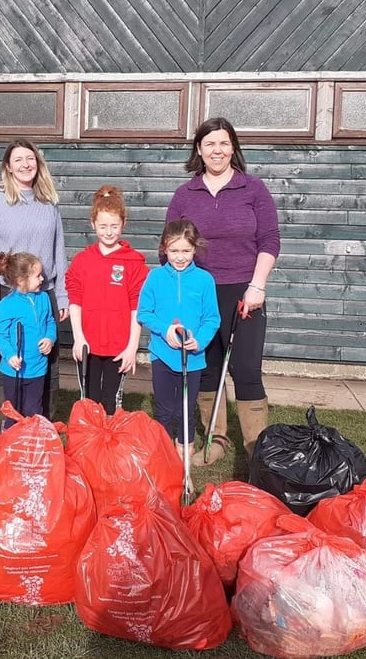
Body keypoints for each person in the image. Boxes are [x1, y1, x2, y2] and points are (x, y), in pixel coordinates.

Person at [165, 116, 280, 465]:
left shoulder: (253, 189)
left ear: (233, 148)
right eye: (210, 143)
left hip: (244, 293)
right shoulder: (185, 194)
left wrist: (257, 285)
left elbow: (269, 240)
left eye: (224, 143)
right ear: (199, 149)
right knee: (207, 368)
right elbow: (168, 245)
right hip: (198, 293)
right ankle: (216, 440)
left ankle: (255, 451)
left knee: (245, 369)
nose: (217, 150)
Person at [0, 139, 68, 431]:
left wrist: (62, 295)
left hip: (44, 290)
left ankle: (42, 425)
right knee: (8, 358)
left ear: (38, 163)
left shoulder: (48, 201)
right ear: (8, 166)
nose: (25, 164)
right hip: (8, 290)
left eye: (30, 158)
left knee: (46, 358)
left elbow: (59, 250)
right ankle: (7, 426)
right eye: (18, 159)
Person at [137, 219, 220, 473]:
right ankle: (163, 457)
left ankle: (185, 459)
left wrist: (200, 341)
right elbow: (144, 313)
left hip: (192, 358)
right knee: (164, 409)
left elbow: (212, 318)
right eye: (174, 251)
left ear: (195, 249)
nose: (180, 257)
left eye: (185, 251)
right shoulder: (155, 277)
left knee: (185, 408)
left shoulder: (205, 280)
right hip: (162, 355)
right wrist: (165, 329)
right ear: (164, 249)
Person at [65, 185, 148, 415]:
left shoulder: (133, 262)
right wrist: (78, 337)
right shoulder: (82, 261)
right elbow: (75, 300)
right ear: (93, 224)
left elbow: (136, 308)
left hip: (118, 346)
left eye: (114, 226)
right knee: (89, 401)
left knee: (111, 403)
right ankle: (89, 445)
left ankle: (110, 445)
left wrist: (132, 347)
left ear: (124, 223)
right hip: (88, 345)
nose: (109, 232)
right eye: (103, 226)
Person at [0, 251, 57, 428]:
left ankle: (31, 445)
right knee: (14, 411)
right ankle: (12, 446)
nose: (42, 279)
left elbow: (50, 322)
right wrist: (10, 355)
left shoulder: (43, 298)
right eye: (37, 276)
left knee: (34, 410)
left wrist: (50, 338)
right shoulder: (6, 305)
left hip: (38, 368)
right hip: (15, 371)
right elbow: (0, 335)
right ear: (22, 280)